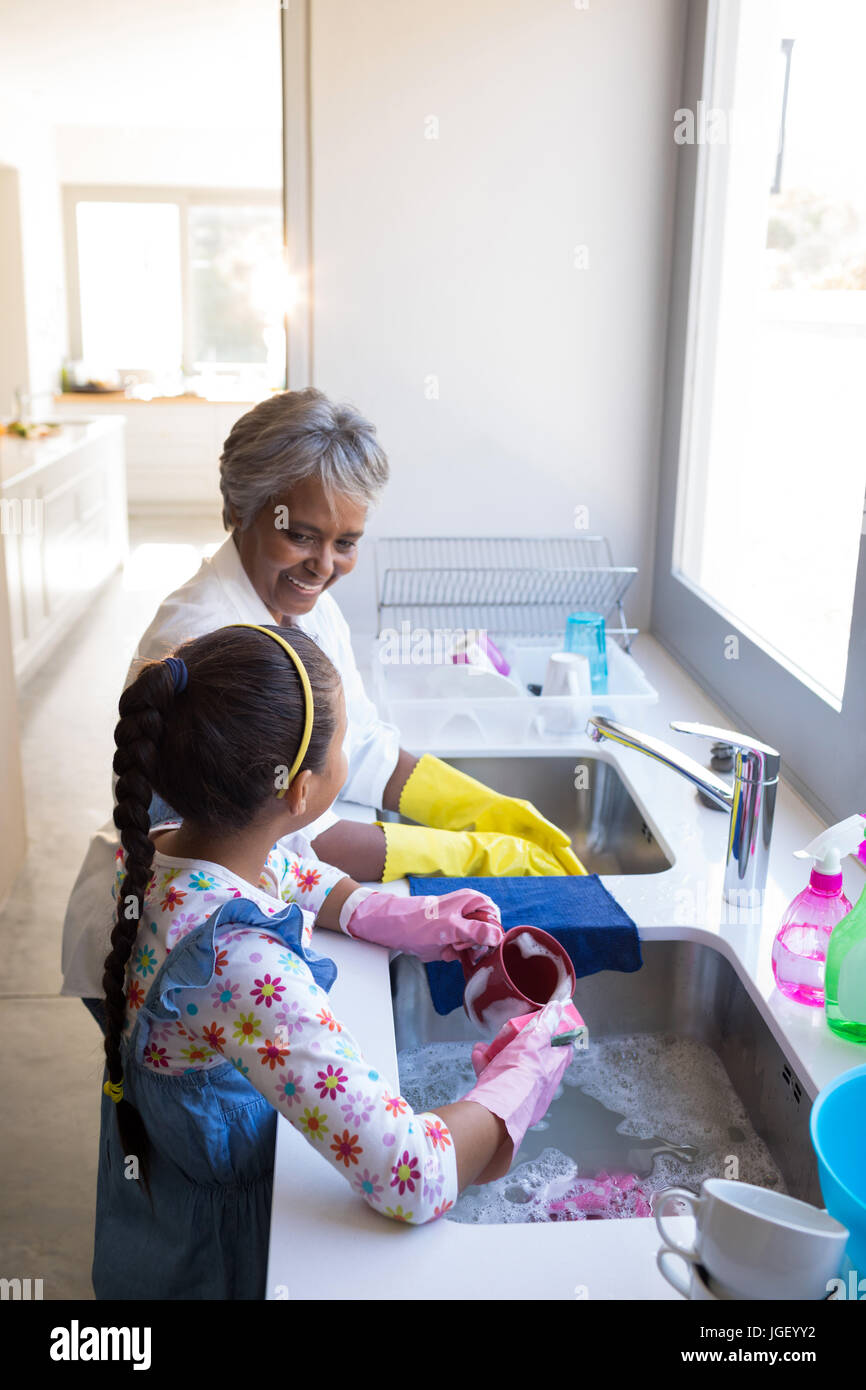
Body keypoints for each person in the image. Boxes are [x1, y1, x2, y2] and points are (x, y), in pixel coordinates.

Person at [62, 387, 585, 1016]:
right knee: (169, 1108)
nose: (324, 566)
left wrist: (482, 808)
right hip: (165, 951)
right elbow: (286, 831)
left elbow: (358, 743)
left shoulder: (310, 609)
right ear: (240, 510)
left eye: (346, 542)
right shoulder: (204, 639)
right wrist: (466, 853)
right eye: (303, 536)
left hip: (226, 916)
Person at [93, 622, 579, 1298]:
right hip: (224, 1258)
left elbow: (276, 873)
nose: (349, 755)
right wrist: (522, 1072)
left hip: (161, 1192)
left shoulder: (164, 844)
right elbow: (412, 1174)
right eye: (343, 742)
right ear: (299, 792)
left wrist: (381, 911)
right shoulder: (239, 966)